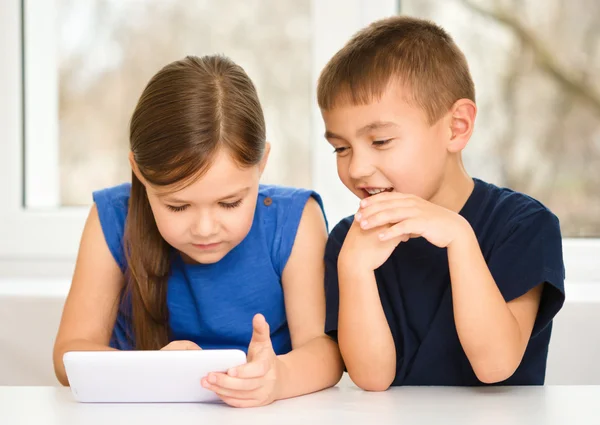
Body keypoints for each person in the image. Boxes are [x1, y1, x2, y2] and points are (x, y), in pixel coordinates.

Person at [53, 54, 343, 407]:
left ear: (262, 164)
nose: (205, 229)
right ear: (140, 172)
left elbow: (326, 351)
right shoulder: (112, 217)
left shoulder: (296, 220)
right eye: (178, 206)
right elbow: (68, 355)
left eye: (229, 203)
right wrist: (150, 369)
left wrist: (278, 378)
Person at [317, 16, 565, 390]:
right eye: (341, 148)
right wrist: (353, 271)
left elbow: (496, 365)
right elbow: (372, 379)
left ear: (456, 127)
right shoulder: (348, 244)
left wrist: (460, 239)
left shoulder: (523, 225)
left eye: (380, 141)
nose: (357, 167)